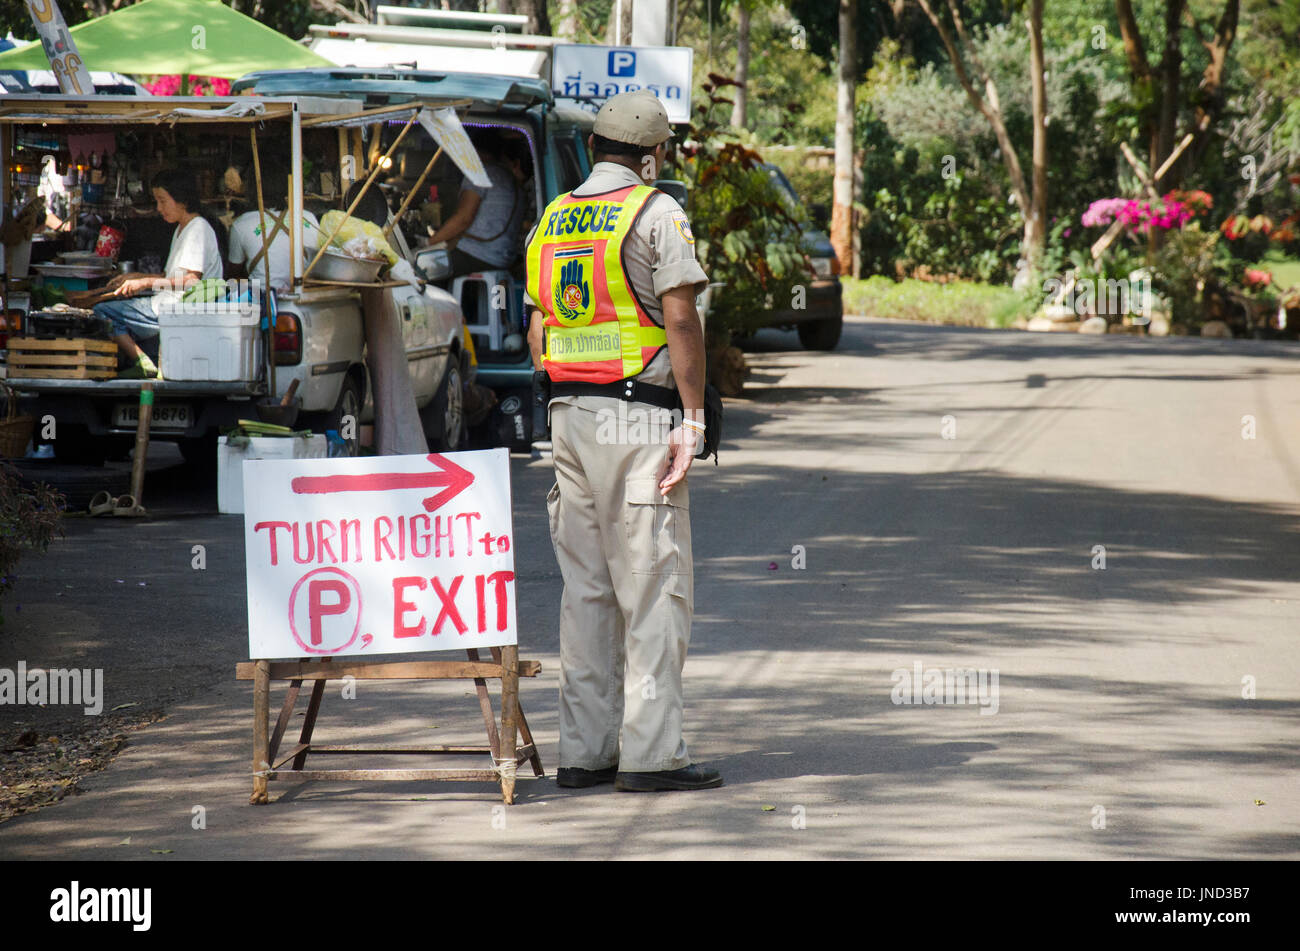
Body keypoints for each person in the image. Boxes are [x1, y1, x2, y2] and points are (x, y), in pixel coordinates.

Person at [524, 90, 720, 792]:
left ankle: (584, 751)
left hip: (569, 417)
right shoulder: (656, 211)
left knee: (587, 592)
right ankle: (651, 756)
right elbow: (681, 317)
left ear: (589, 148)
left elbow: (540, 332)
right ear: (651, 156)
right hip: (638, 417)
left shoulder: (551, 220)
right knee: (652, 585)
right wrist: (691, 419)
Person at [95, 168, 225, 378]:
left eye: (163, 201)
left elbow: (191, 281)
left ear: (182, 200)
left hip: (179, 309)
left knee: (103, 311)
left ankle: (142, 362)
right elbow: (168, 276)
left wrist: (144, 283)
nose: (159, 208)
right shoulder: (182, 228)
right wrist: (134, 277)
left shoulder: (198, 229)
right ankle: (148, 360)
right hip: (168, 303)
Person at [430, 130, 528, 275]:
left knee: (423, 266)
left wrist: (428, 244)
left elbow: (463, 219)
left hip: (476, 256)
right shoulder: (512, 180)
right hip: (504, 260)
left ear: (473, 150)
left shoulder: (479, 174)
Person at [227, 156, 321, 292]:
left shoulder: (241, 224)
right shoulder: (307, 217)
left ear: (252, 188)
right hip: (308, 296)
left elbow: (233, 275)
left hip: (267, 303)